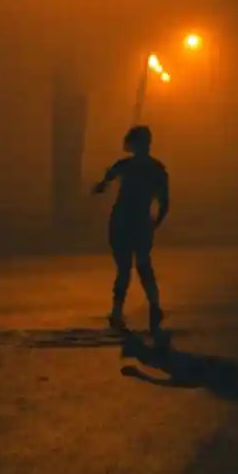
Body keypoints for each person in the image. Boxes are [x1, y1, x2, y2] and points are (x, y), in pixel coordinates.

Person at [92, 125, 169, 333]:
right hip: (141, 221)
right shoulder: (157, 168)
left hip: (122, 220)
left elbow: (102, 185)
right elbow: (165, 202)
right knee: (144, 264)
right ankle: (154, 306)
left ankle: (117, 311)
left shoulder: (124, 165)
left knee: (124, 268)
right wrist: (156, 223)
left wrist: (100, 185)